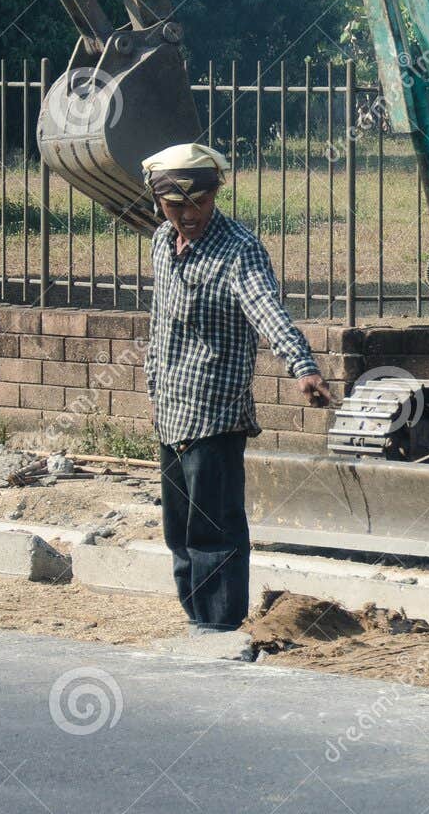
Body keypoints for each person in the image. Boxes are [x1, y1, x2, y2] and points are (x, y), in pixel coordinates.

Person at [141, 141, 331, 634]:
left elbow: (266, 309)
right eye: (176, 204)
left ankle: (221, 626)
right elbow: (162, 323)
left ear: (216, 193)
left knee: (215, 530)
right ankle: (195, 620)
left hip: (214, 410)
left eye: (200, 202)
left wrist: (302, 367)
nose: (190, 214)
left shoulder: (238, 250)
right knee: (178, 530)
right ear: (158, 201)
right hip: (170, 410)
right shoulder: (162, 242)